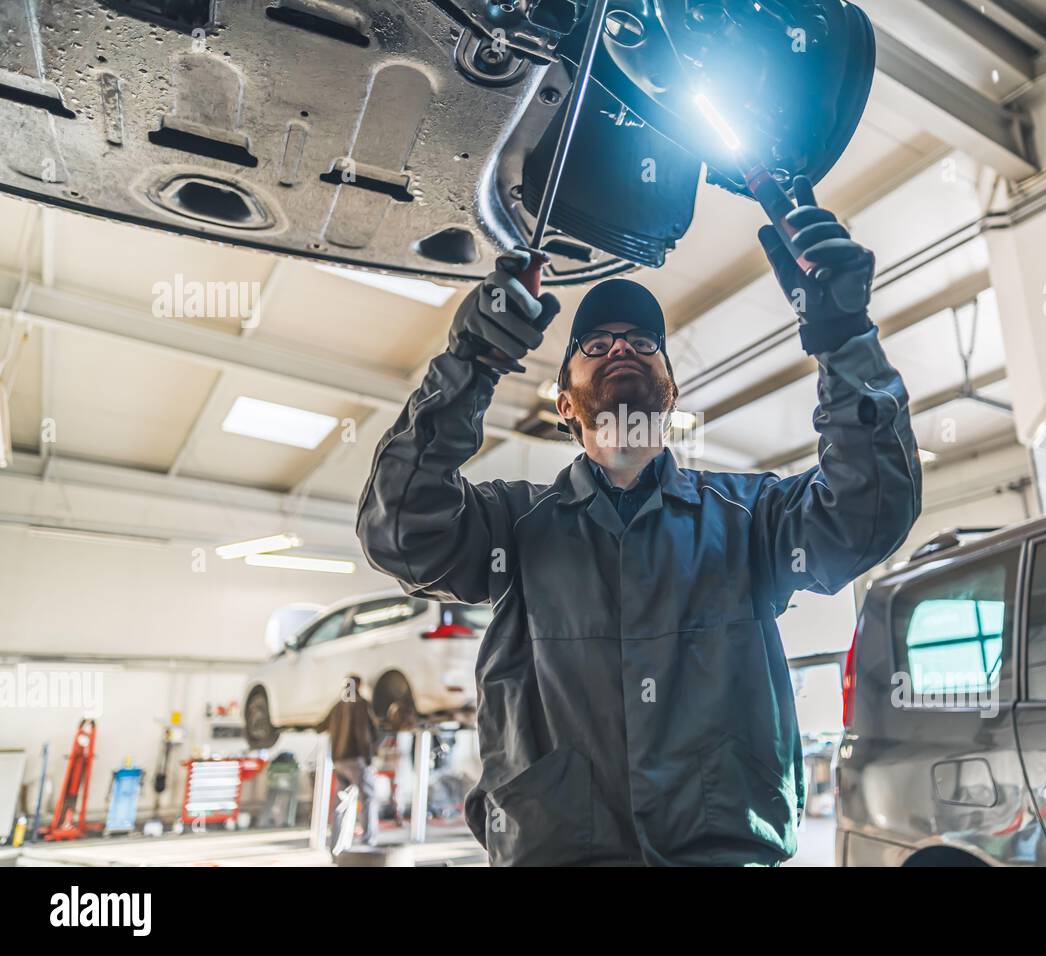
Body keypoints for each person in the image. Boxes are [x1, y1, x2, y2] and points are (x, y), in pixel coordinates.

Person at [357, 176, 922, 865]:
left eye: (641, 342)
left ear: (671, 389)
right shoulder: (515, 528)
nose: (621, 347)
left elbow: (868, 514)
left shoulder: (752, 521)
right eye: (594, 345)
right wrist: (472, 362)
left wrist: (844, 337)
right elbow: (399, 531)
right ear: (564, 403)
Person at [315, 675, 380, 853]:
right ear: (359, 685)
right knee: (369, 799)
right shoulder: (360, 704)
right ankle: (368, 842)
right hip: (356, 759)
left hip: (339, 761)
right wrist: (368, 758)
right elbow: (364, 733)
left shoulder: (337, 706)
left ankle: (336, 848)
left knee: (340, 804)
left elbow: (320, 726)